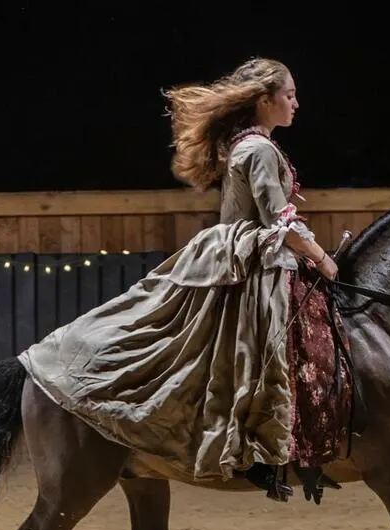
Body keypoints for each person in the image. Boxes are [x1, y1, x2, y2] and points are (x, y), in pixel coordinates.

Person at [17, 57, 346, 503]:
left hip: (245, 253)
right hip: (254, 258)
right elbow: (279, 222)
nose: (296, 103)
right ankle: (269, 454)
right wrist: (323, 258)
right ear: (265, 101)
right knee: (272, 347)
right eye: (289, 95)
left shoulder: (252, 144)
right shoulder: (258, 149)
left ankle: (292, 452)